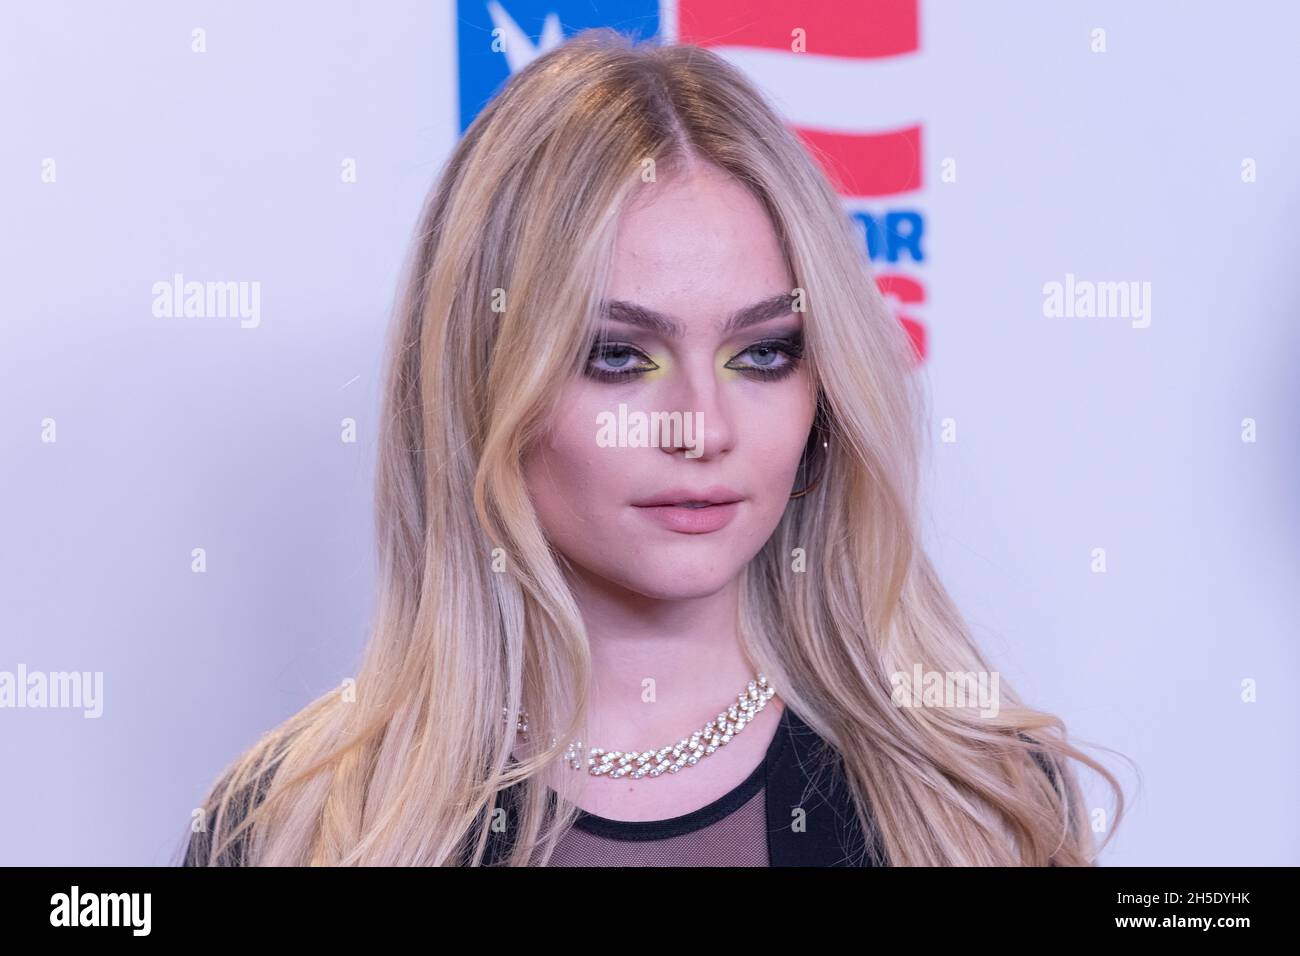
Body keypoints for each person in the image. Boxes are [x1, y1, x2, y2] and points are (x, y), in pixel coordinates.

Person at [180, 27, 1125, 867]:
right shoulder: (295, 831)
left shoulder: (974, 809)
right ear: (481, 379)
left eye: (762, 354)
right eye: (619, 356)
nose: (702, 429)